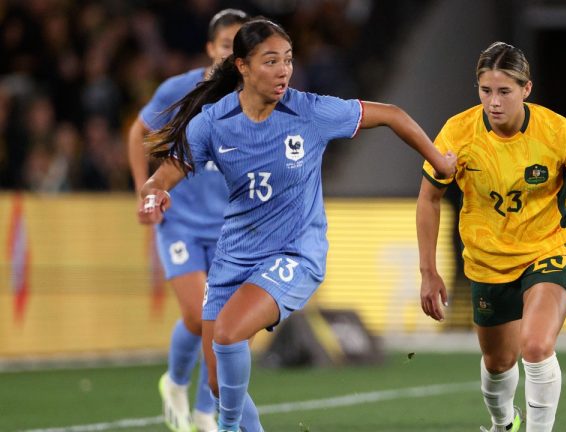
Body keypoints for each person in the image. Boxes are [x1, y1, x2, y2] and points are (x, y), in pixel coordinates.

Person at [140, 18, 456, 432]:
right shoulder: (213, 122)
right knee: (218, 382)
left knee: (229, 335)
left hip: (295, 253)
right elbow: (165, 173)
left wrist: (438, 159)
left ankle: (229, 429)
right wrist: (154, 193)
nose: (284, 70)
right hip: (233, 257)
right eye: (271, 61)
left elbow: (392, 115)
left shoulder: (309, 111)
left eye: (288, 60)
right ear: (242, 66)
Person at [417, 42, 566, 432]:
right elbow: (429, 199)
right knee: (498, 362)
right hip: (487, 261)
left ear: (527, 89)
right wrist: (428, 271)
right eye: (485, 91)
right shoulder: (458, 132)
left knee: (534, 345)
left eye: (505, 92)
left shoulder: (556, 132)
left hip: (551, 247)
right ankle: (504, 425)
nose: (494, 102)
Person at [126, 9, 250, 432]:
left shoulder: (252, 99)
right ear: (210, 49)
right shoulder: (178, 90)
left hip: (229, 229)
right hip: (180, 221)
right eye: (225, 46)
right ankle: (175, 382)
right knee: (201, 318)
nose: (232, 54)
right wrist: (144, 191)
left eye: (241, 48)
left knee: (224, 326)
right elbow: (136, 133)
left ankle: (203, 411)